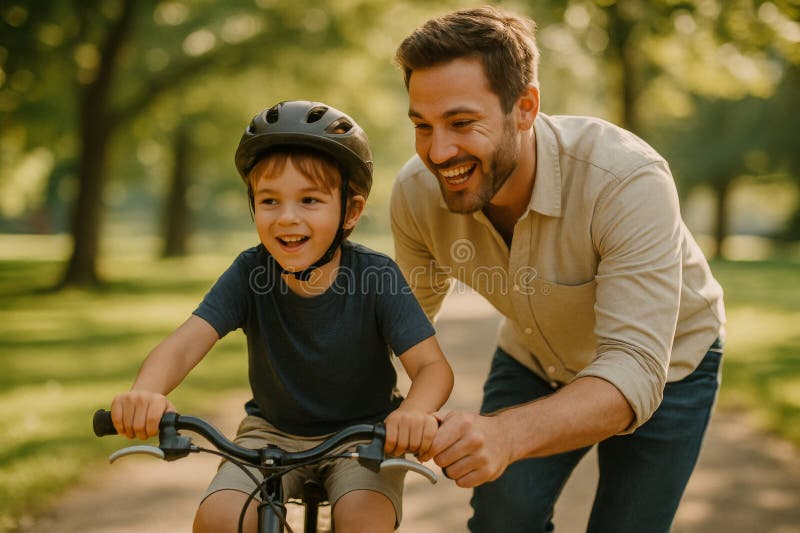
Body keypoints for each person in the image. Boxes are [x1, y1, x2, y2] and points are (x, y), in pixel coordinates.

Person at [390, 6, 725, 533]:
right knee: (503, 519)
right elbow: (402, 324)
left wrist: (505, 435)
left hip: (669, 364)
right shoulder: (415, 194)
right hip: (536, 359)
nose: (438, 151)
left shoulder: (625, 179)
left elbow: (633, 368)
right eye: (422, 126)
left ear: (524, 108)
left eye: (461, 123)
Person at [110, 100, 454, 533]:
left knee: (362, 520)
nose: (287, 218)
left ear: (350, 211)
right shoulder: (250, 272)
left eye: (310, 200)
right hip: (268, 433)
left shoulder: (376, 276)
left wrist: (414, 413)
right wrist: (146, 391)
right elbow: (182, 345)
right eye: (269, 200)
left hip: (365, 435)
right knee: (220, 519)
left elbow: (432, 367)